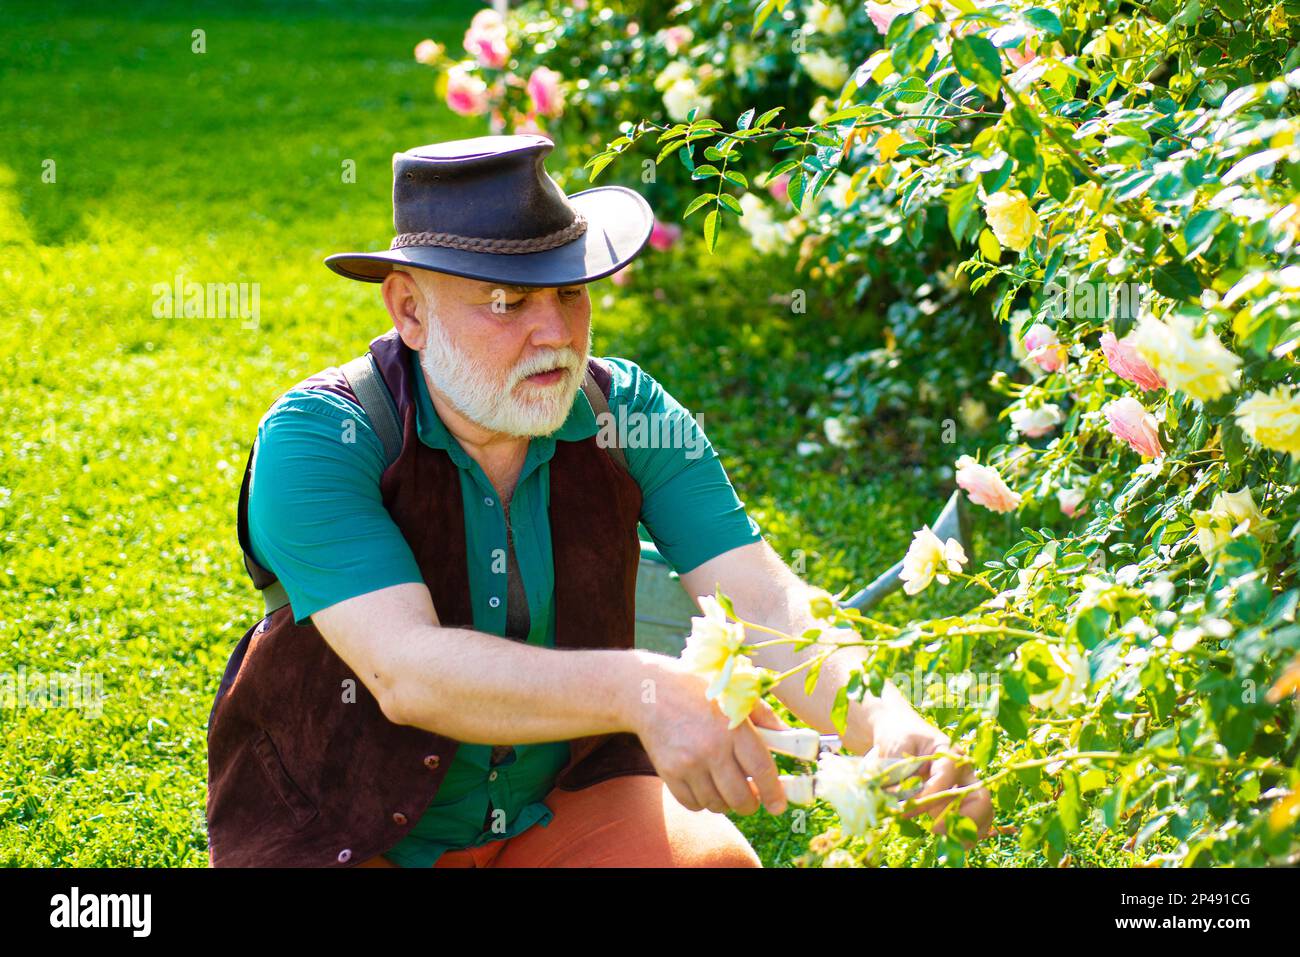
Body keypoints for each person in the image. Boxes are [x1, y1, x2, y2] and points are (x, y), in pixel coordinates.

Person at [205, 134, 991, 868]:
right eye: (506, 303)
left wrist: (886, 719)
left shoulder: (631, 413)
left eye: (569, 292)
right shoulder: (321, 438)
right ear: (410, 309)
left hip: (554, 805)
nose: (554, 333)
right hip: (341, 828)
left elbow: (764, 597)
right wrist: (643, 690)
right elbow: (409, 672)